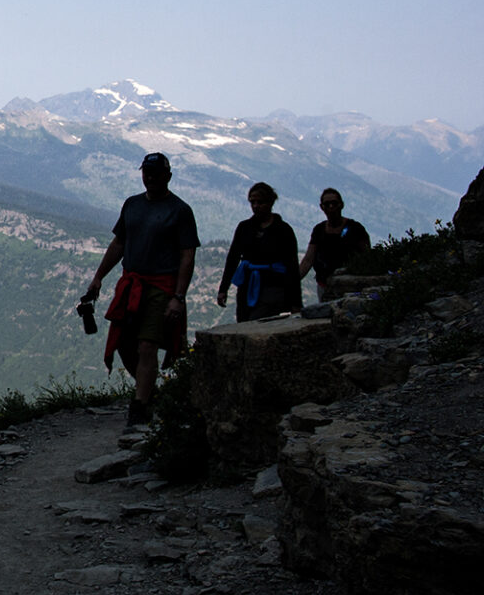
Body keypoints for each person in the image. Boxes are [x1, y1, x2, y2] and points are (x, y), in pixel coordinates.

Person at [80, 152, 200, 427]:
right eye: (147, 172)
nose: (151, 177)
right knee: (124, 343)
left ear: (168, 176)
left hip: (161, 286)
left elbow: (187, 256)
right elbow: (119, 244)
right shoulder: (132, 205)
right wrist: (99, 276)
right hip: (131, 283)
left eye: (156, 173)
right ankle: (148, 391)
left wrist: (178, 297)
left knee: (147, 346)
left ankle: (140, 407)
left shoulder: (180, 211)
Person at [216, 182, 303, 321]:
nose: (256, 206)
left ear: (270, 202)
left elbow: (292, 266)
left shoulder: (283, 230)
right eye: (253, 202)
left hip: (273, 287)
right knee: (244, 322)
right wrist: (223, 289)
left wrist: (296, 303)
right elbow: (233, 258)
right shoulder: (244, 228)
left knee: (260, 322)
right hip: (247, 286)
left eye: (260, 202)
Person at [298, 187, 371, 301]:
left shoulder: (355, 229)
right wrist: (294, 280)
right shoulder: (319, 230)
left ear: (341, 205)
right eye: (327, 204)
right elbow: (308, 260)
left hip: (349, 288)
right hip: (324, 286)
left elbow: (367, 257)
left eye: (334, 203)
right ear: (322, 207)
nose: (331, 207)